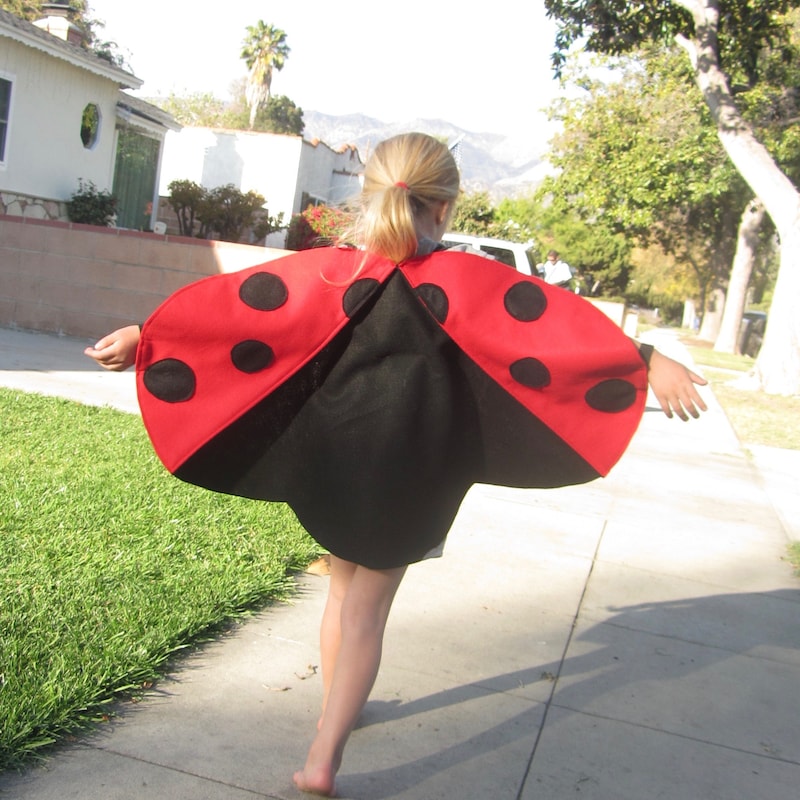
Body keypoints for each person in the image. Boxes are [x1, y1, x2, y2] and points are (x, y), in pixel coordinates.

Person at [85, 132, 707, 797]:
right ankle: (325, 755)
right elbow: (559, 340)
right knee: (367, 613)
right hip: (411, 470)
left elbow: (237, 320)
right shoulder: (470, 282)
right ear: (445, 207)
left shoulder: (332, 272)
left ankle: (339, 709)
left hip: (334, 458)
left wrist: (146, 337)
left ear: (372, 193)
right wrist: (645, 359)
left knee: (343, 593)